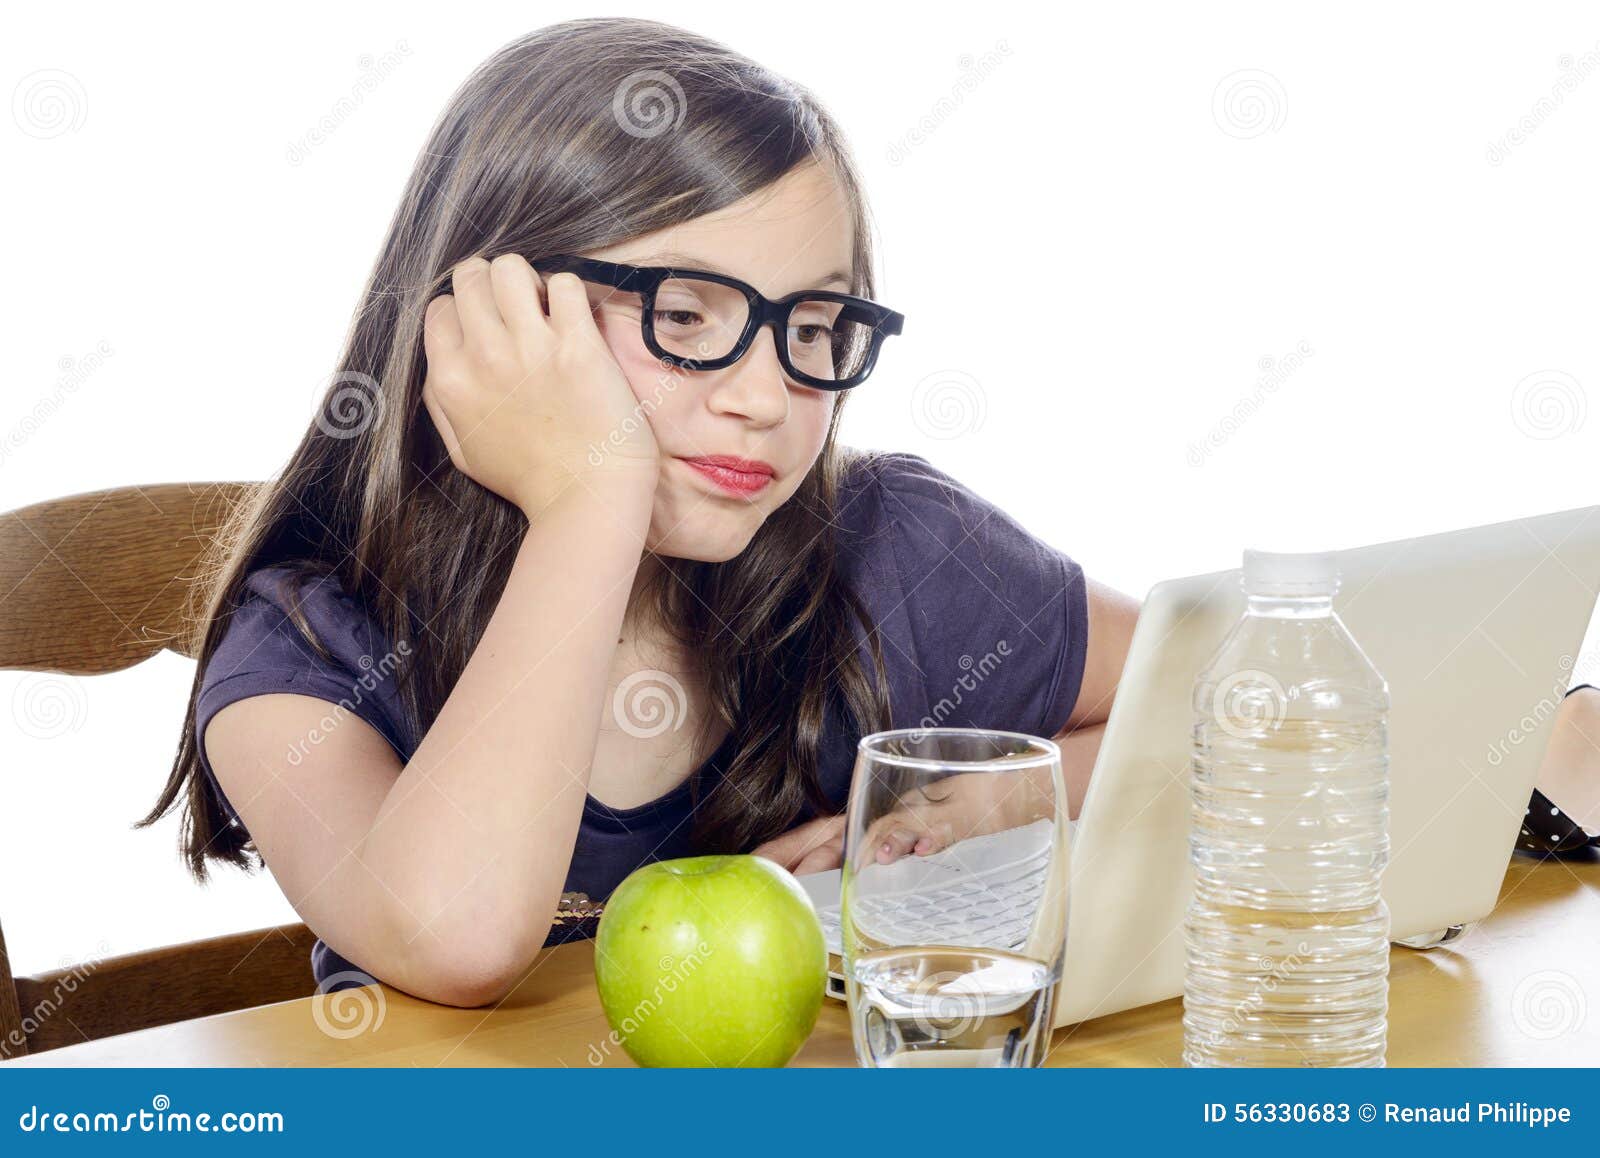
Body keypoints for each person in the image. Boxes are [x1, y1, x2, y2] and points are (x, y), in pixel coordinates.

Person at [140, 18, 1139, 1007]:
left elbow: (1233, 694)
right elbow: (457, 936)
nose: (763, 398)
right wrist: (586, 504)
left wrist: (995, 804)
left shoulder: (893, 547)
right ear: (493, 319)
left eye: (814, 325)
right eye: (683, 315)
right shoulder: (306, 653)